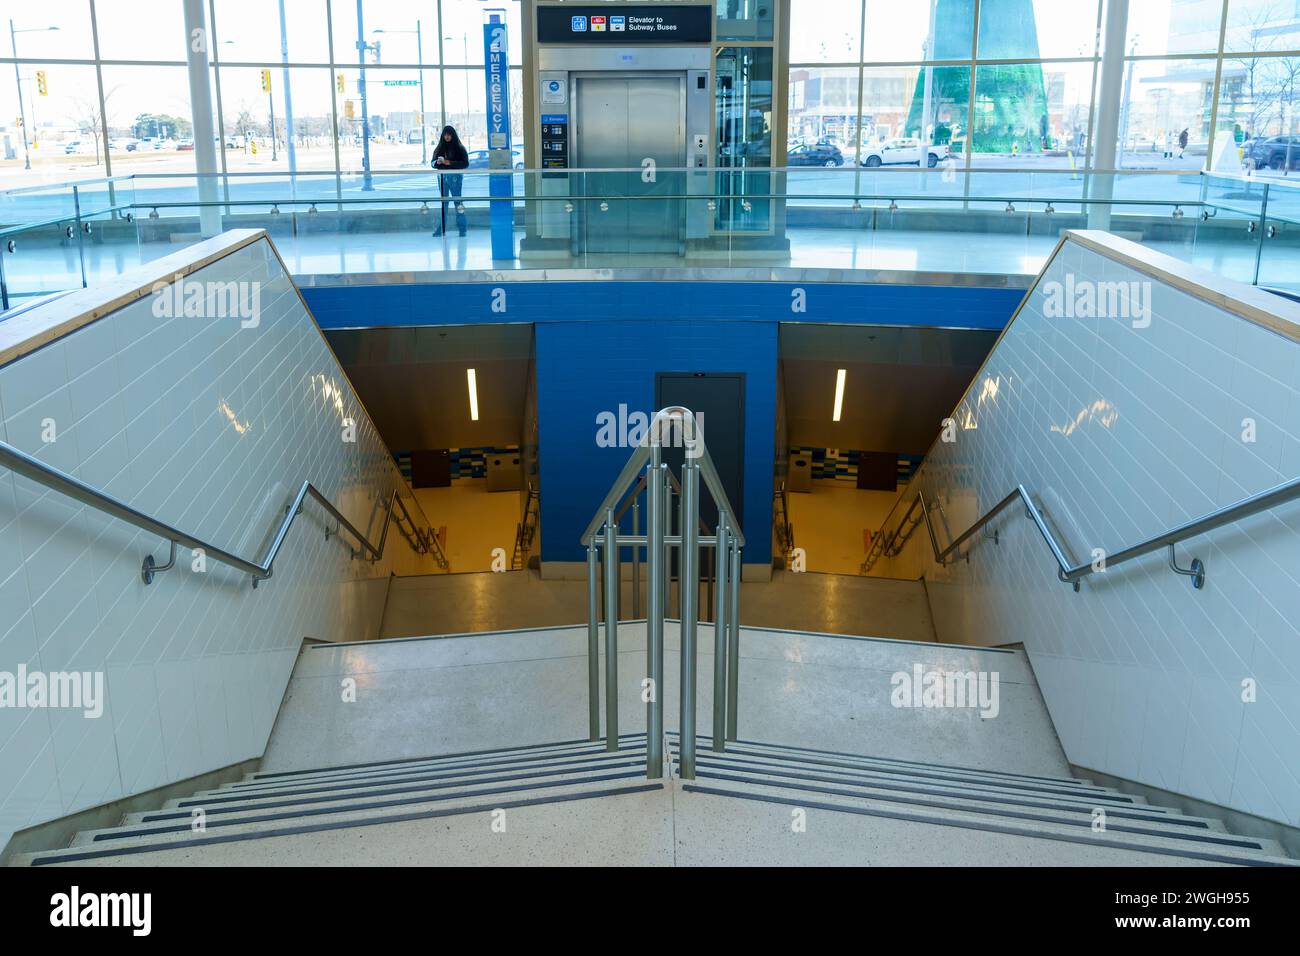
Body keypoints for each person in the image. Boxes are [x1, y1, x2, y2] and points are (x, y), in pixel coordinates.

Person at [431, 125, 469, 237]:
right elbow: (432, 163)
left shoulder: (459, 148)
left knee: (457, 201)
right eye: (445, 135)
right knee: (444, 202)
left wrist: (450, 163)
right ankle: (441, 228)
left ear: (453, 135)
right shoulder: (439, 148)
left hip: (455, 177)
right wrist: (437, 163)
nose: (447, 137)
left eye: (449, 135)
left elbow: (465, 163)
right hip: (442, 177)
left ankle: (462, 228)